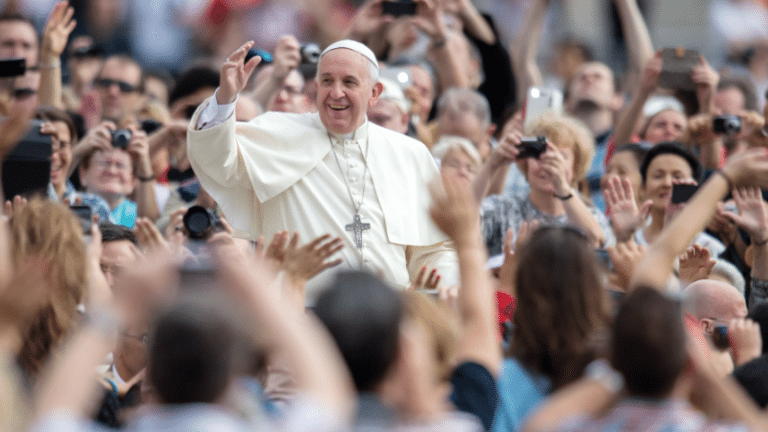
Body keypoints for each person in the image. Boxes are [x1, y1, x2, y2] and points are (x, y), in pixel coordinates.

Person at [187, 39, 457, 300]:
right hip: (304, 316)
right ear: (315, 87)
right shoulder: (279, 133)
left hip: (387, 322)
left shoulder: (410, 154)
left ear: (374, 93)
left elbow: (435, 248)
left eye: (349, 82)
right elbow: (213, 159)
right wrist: (225, 99)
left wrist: (436, 293)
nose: (336, 92)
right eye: (327, 81)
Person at [480, 114, 611, 256]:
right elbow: (464, 220)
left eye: (560, 157)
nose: (547, 164)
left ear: (575, 166)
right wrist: (490, 165)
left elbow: (595, 240)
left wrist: (562, 188)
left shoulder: (589, 215)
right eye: (538, 155)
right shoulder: (503, 208)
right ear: (526, 162)